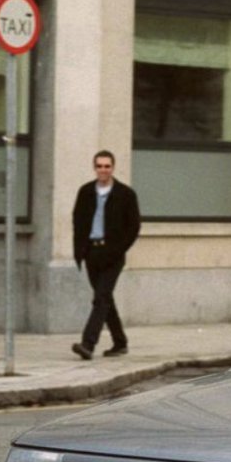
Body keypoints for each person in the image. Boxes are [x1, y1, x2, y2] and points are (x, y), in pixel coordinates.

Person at [71, 150, 142, 360]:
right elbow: (78, 221)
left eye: (107, 166)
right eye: (99, 166)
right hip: (92, 252)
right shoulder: (85, 192)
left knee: (100, 298)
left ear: (113, 168)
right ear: (94, 168)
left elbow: (133, 226)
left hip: (113, 255)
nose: (103, 170)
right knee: (105, 299)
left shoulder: (126, 194)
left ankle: (88, 343)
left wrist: (118, 249)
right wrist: (81, 251)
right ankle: (120, 342)